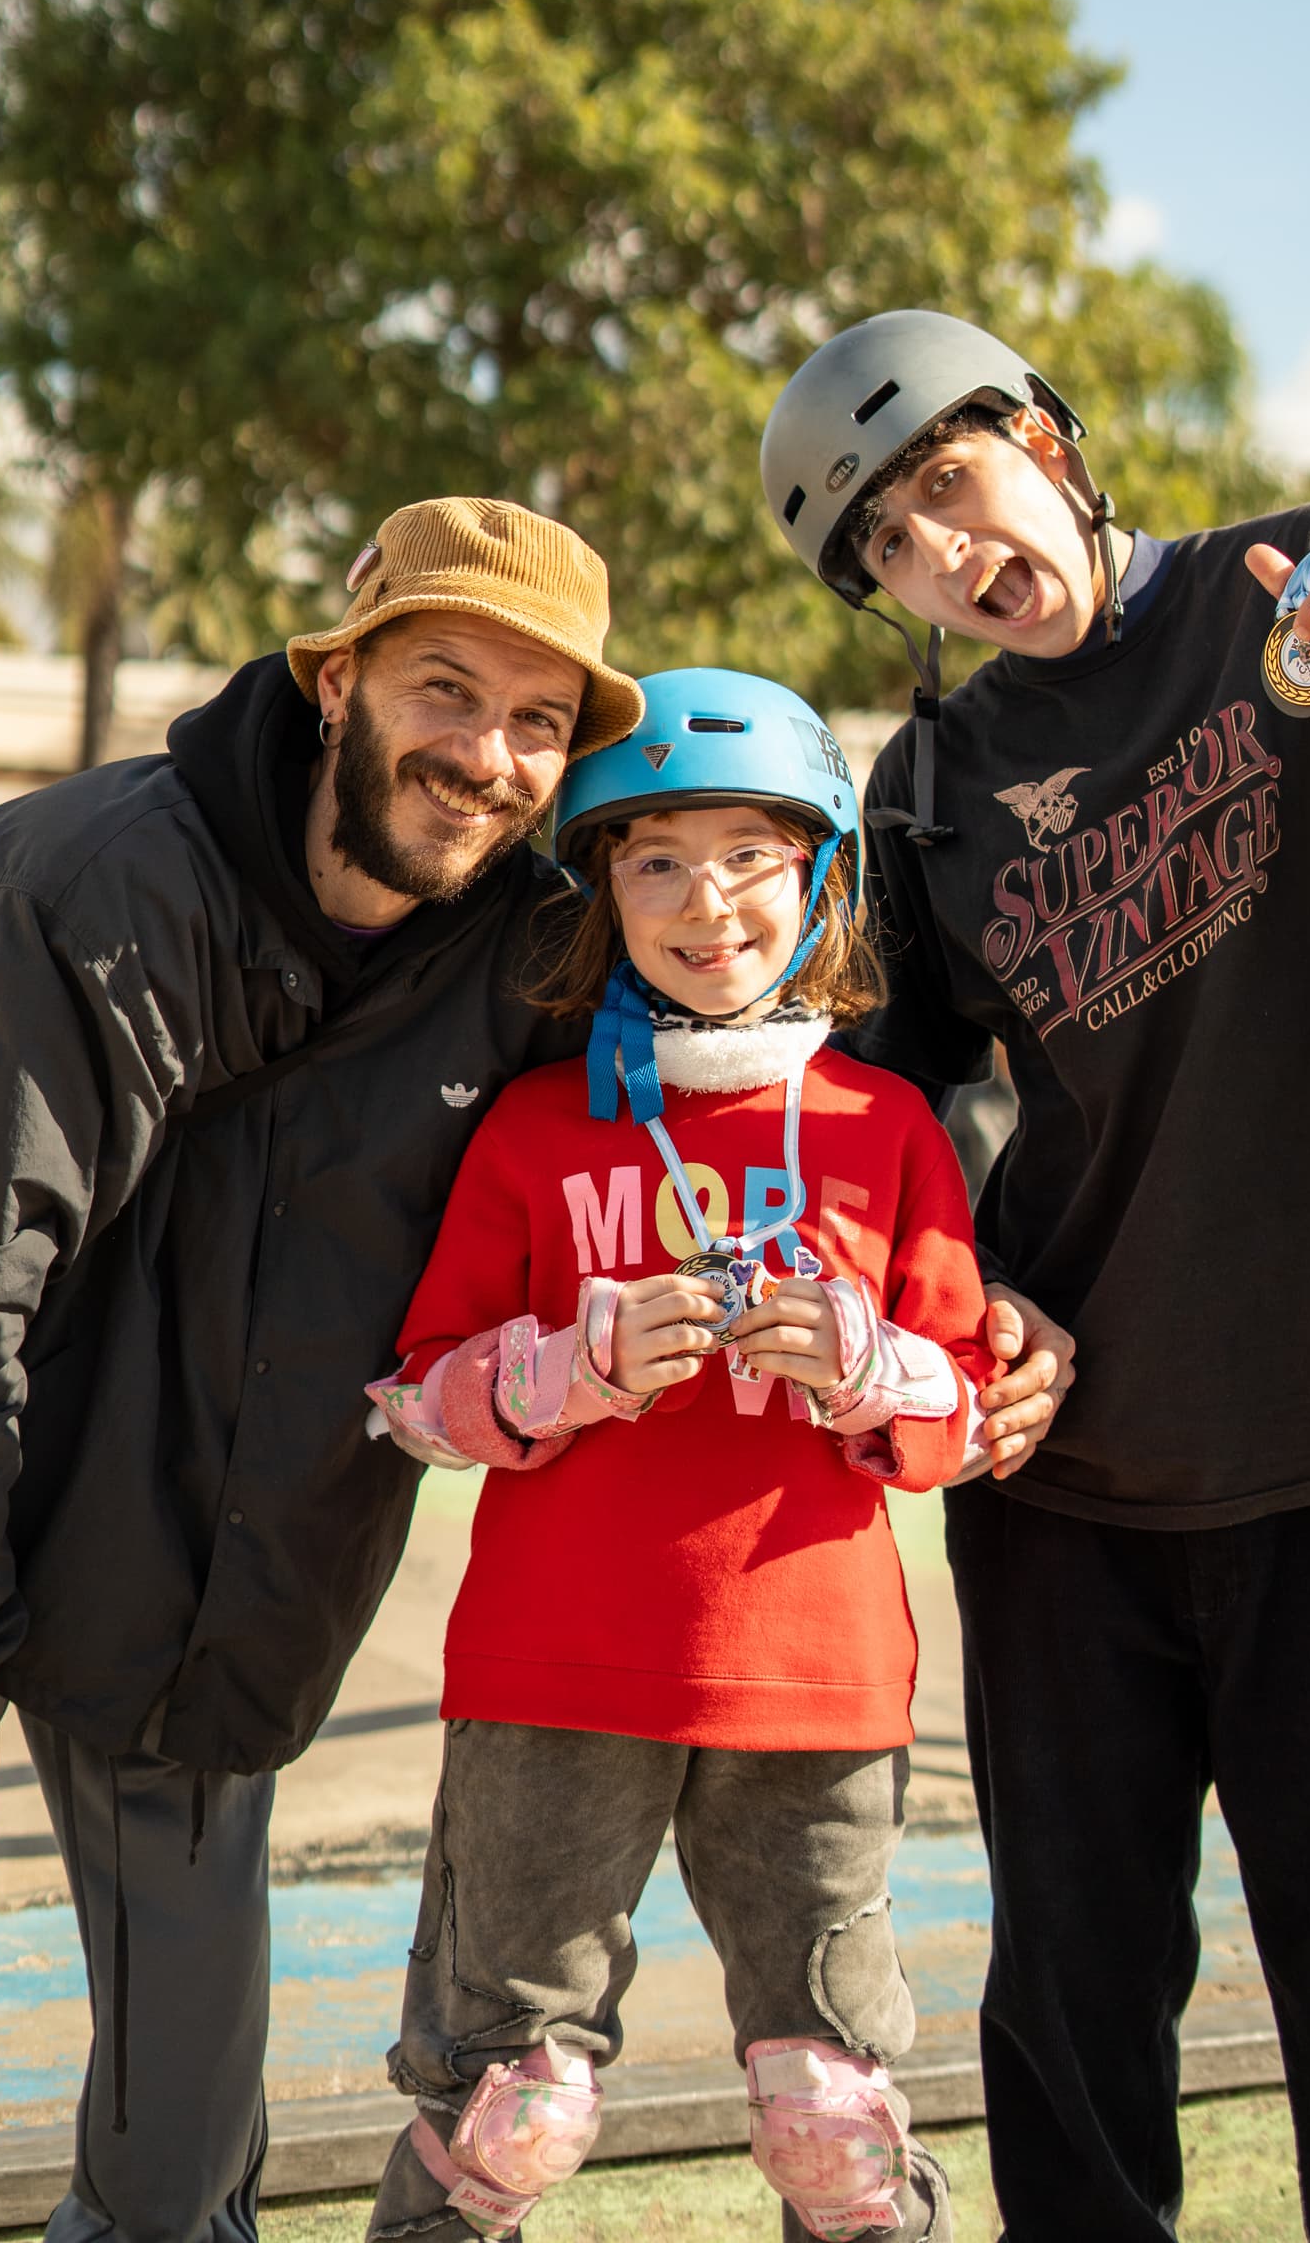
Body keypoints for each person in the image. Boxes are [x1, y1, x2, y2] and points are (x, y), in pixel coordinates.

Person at [0, 498, 656, 2243]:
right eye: (448, 688)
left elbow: (755, 1019)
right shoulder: (78, 879)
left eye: (540, 724)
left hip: (201, 1516)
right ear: (342, 674)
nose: (490, 754)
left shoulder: (533, 949)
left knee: (191, 1984)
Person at [760, 311, 1310, 2243]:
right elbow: (897, 1106)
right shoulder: (933, 784)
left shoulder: (1306, 586)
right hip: (1070, 1494)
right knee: (1074, 2046)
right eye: (889, 546)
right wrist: (973, 1297)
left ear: (1044, 433)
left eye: (949, 485)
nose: (942, 556)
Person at [362, 671, 986, 2242]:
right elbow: (421, 1399)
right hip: (554, 1672)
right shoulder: (530, 1129)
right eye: (655, 861)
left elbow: (963, 1420)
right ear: (599, 892)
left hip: (819, 1679)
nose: (707, 902)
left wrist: (866, 1368)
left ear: (820, 878)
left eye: (751, 856)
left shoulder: (888, 1124)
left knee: (832, 2125)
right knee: (513, 2108)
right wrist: (563, 1368)